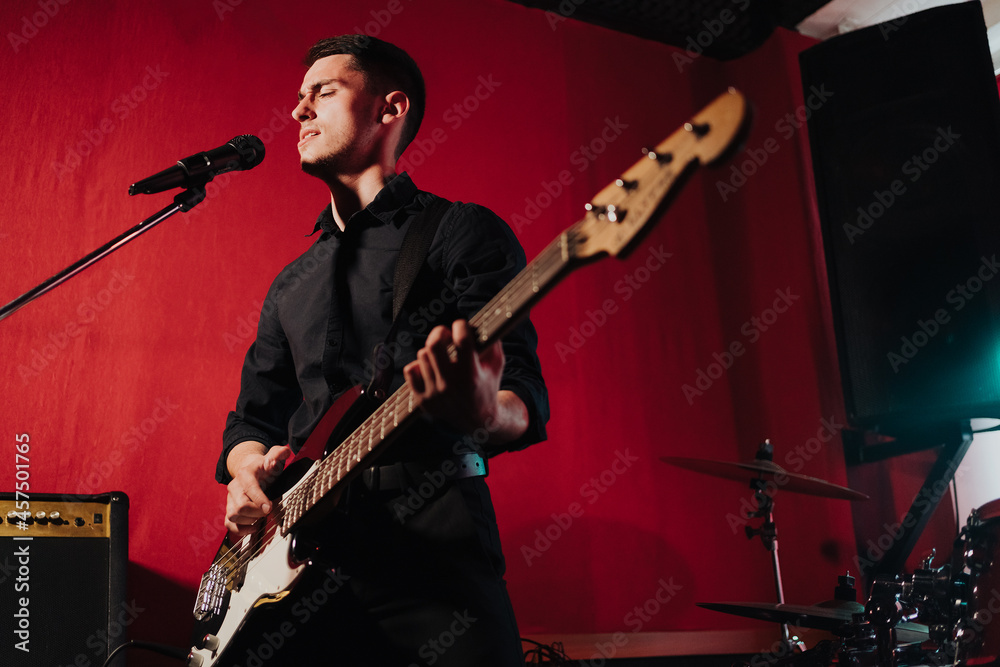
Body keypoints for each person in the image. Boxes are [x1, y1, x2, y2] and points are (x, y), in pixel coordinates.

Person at [216, 34, 549, 665]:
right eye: (298, 97)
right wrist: (245, 473)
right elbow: (254, 419)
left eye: (324, 92)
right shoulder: (292, 281)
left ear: (388, 109)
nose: (298, 111)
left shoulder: (460, 232)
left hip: (432, 554)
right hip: (291, 564)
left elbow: (524, 392)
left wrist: (483, 412)